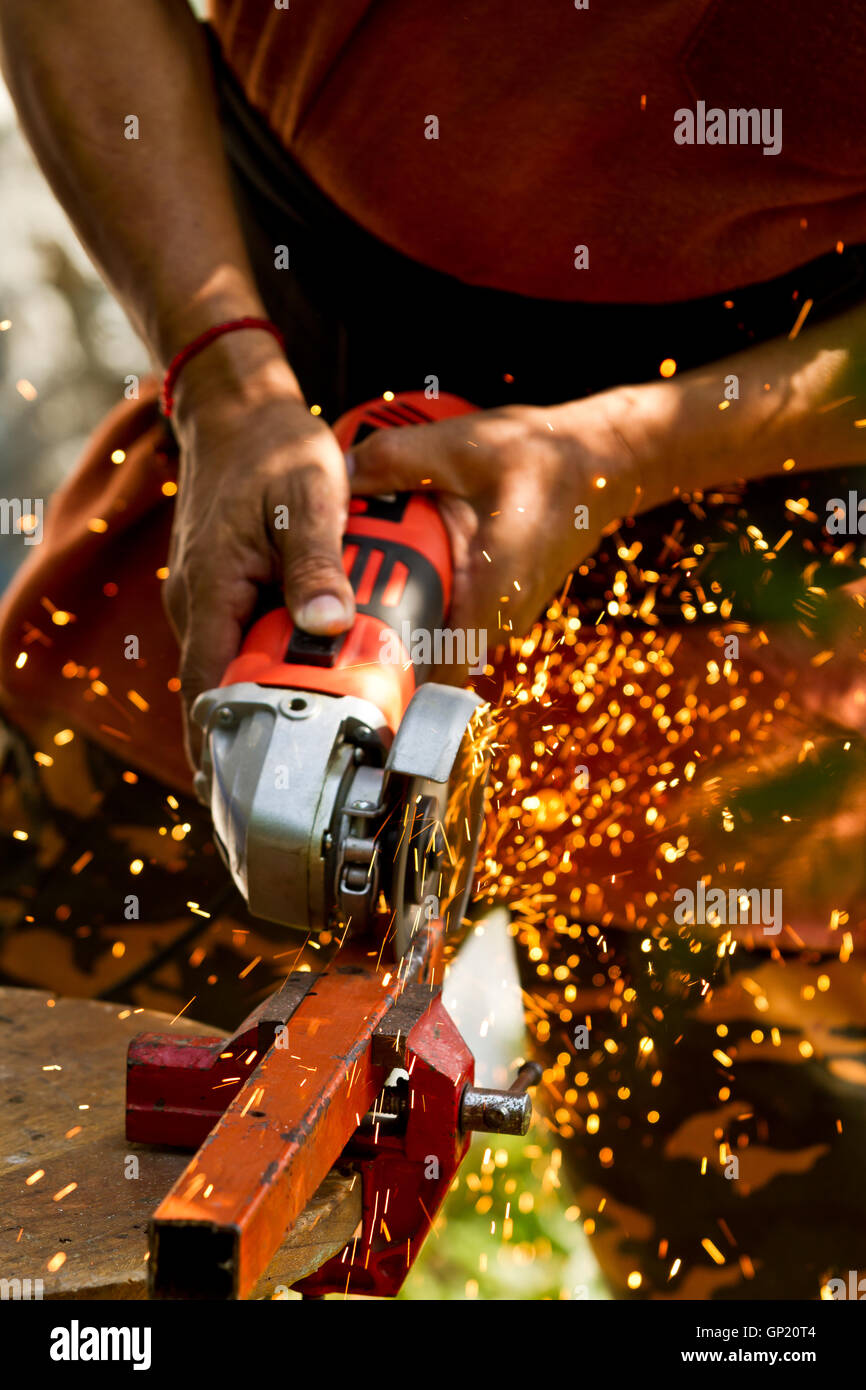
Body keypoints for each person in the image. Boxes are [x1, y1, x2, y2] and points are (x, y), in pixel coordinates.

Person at [2, 0, 866, 1299]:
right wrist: (223, 371)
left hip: (756, 532)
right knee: (43, 1156)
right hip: (285, 469)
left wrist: (626, 454)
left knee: (775, 1270)